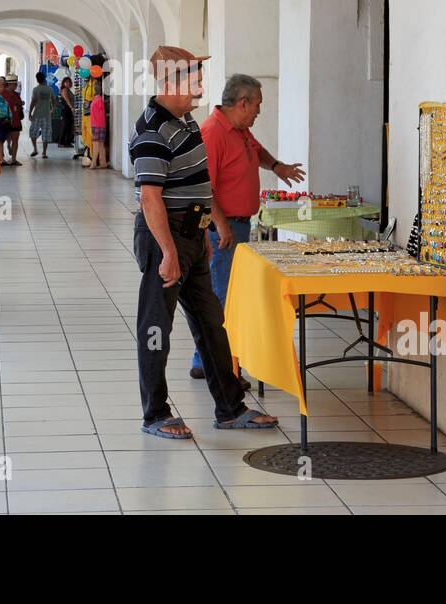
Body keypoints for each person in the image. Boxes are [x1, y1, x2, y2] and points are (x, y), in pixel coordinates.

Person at [129, 44, 278, 440]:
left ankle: (230, 409)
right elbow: (150, 198)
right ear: (171, 81)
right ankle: (155, 414)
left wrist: (204, 229)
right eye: (193, 79)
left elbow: (199, 182)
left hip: (193, 235)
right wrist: (168, 252)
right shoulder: (152, 130)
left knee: (212, 323)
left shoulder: (187, 122)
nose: (200, 86)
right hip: (165, 238)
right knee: (156, 328)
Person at [190, 73, 306, 379]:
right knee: (222, 297)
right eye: (257, 105)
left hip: (238, 226)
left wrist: (277, 167)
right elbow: (204, 188)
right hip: (223, 230)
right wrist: (221, 225)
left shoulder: (240, 130)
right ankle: (217, 365)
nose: (259, 111)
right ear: (243, 102)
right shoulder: (213, 133)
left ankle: (207, 361)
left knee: (231, 295)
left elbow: (257, 151)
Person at [28, 71, 56, 158]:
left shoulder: (36, 89)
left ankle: (35, 149)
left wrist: (30, 113)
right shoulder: (49, 89)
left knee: (33, 132)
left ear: (37, 80)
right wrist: (53, 110)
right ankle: (44, 152)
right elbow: (54, 101)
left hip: (37, 115)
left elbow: (33, 102)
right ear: (44, 79)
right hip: (47, 115)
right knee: (46, 134)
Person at [1, 76, 25, 165]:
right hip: (5, 121)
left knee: (15, 140)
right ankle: (1, 159)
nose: (15, 86)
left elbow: (19, 105)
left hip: (15, 120)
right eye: (14, 84)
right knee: (1, 140)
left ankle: (14, 159)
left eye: (16, 84)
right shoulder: (2, 94)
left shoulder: (16, 94)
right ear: (9, 84)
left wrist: (20, 103)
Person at [87, 79, 109, 169]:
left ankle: (94, 163)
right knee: (100, 144)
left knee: (96, 144)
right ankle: (103, 162)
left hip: (96, 125)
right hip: (101, 125)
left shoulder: (97, 100)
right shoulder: (99, 100)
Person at [58, 76, 75, 148]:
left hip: (68, 110)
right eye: (66, 82)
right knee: (65, 125)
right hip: (66, 110)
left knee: (69, 126)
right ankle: (61, 142)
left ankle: (67, 142)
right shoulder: (64, 90)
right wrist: (71, 107)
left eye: (69, 82)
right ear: (63, 83)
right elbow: (67, 99)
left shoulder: (68, 90)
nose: (68, 83)